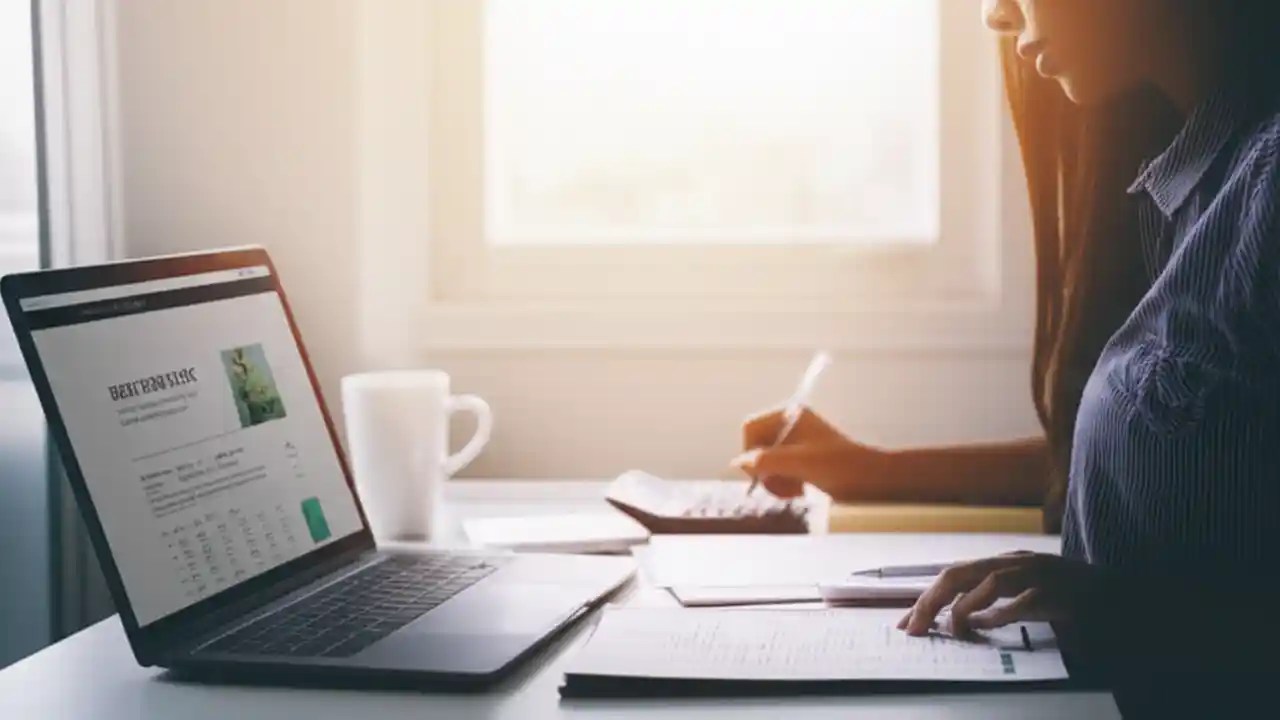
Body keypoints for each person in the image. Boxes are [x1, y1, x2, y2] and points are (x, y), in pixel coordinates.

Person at [734, 1, 1280, 714]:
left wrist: (1130, 609)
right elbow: (1177, 450)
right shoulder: (1198, 180)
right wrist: (874, 471)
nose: (995, 14)